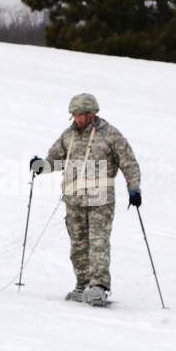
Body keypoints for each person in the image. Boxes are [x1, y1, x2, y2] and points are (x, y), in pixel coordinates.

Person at [30, 92, 141, 306]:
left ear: (92, 114)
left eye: (82, 115)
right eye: (74, 115)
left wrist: (133, 188)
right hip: (74, 200)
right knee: (78, 244)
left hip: (100, 199)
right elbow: (56, 161)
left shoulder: (110, 134)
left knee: (98, 242)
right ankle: (82, 284)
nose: (78, 119)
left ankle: (98, 286)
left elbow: (128, 162)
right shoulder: (68, 136)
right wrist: (40, 166)